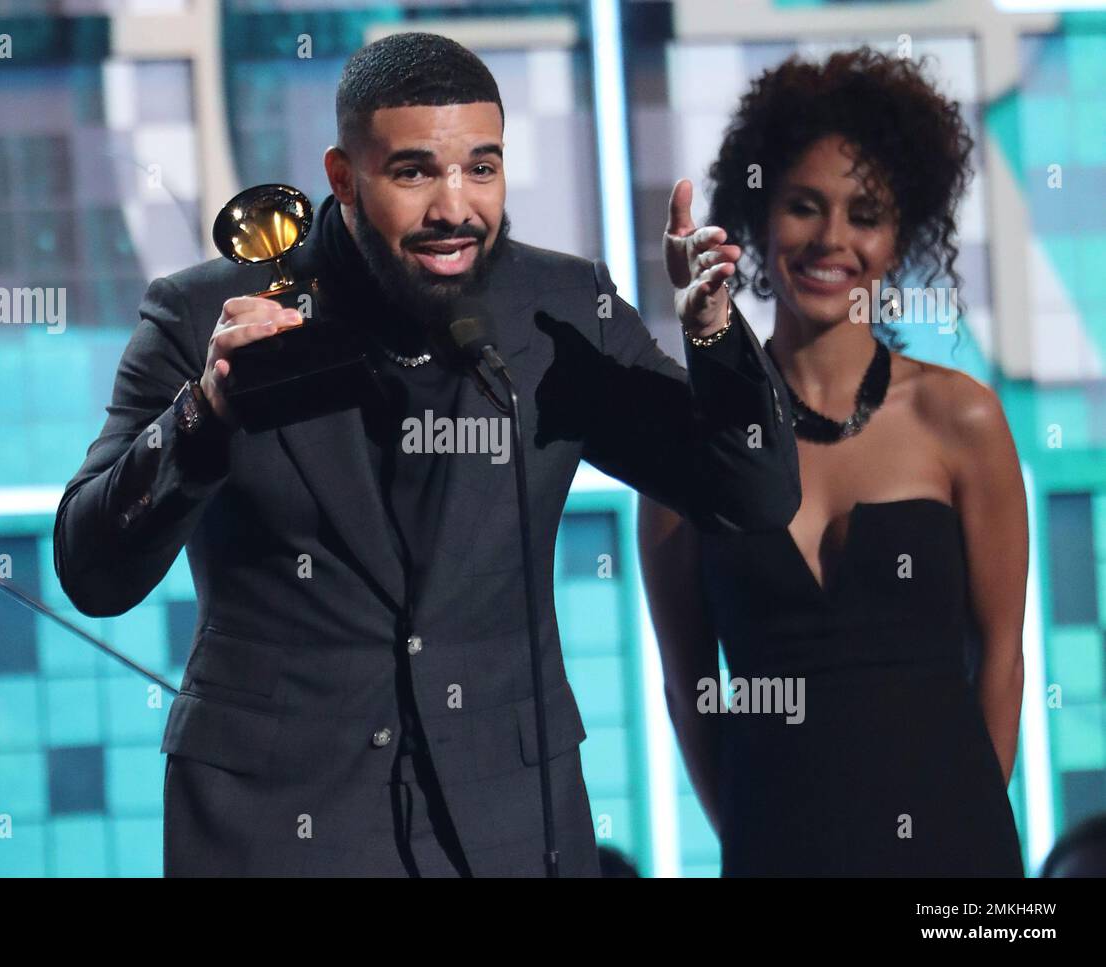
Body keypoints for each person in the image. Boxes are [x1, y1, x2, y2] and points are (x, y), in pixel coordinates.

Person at [54, 31, 799, 876]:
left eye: (482, 167)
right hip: (276, 830)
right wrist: (205, 412)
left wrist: (714, 337)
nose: (456, 206)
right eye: (415, 172)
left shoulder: (557, 309)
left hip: (512, 826)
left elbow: (752, 493)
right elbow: (92, 568)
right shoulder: (205, 316)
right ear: (343, 177)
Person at [639, 47, 1025, 876]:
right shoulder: (690, 441)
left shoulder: (960, 418)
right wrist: (756, 832)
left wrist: (969, 834)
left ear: (901, 236)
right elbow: (688, 692)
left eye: (866, 213)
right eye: (805, 206)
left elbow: (1001, 658)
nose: (832, 239)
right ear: (757, 219)